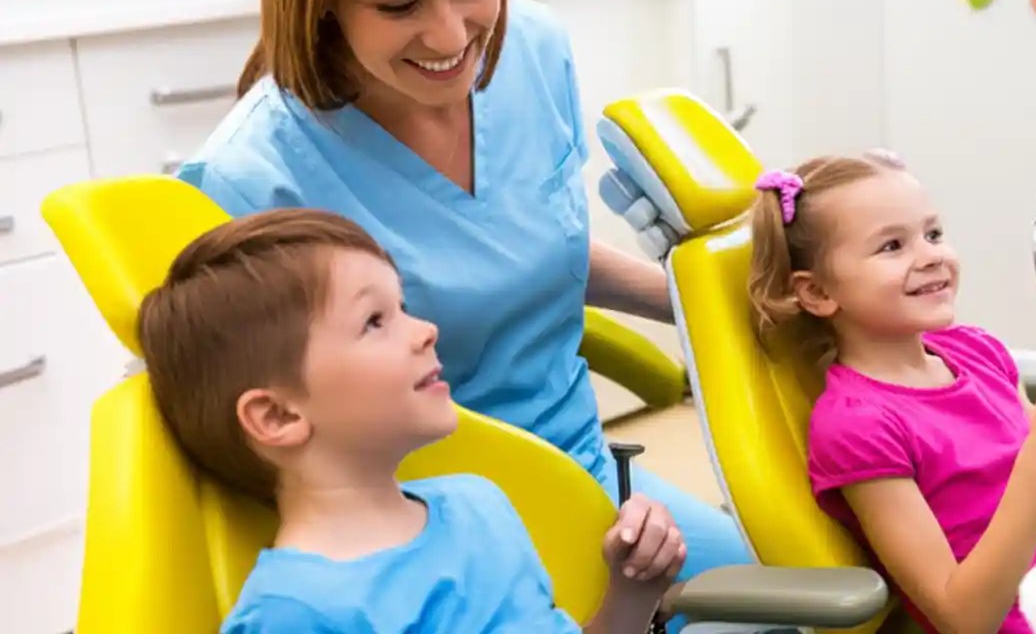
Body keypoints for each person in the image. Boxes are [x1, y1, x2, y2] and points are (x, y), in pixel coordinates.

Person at [174, 0, 752, 621]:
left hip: (595, 475)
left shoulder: (533, 51)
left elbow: (533, 251)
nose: (450, 36)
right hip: (425, 533)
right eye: (398, 4)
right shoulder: (253, 176)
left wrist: (715, 301)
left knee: (793, 594)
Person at [136, 207, 686, 632]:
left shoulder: (480, 506)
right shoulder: (295, 612)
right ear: (277, 415)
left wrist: (633, 592)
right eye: (375, 321)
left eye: (403, 308)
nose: (425, 329)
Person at [745, 151, 1036, 634]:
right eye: (892, 246)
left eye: (932, 234)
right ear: (817, 294)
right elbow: (963, 618)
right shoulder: (858, 425)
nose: (932, 255)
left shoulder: (978, 352)